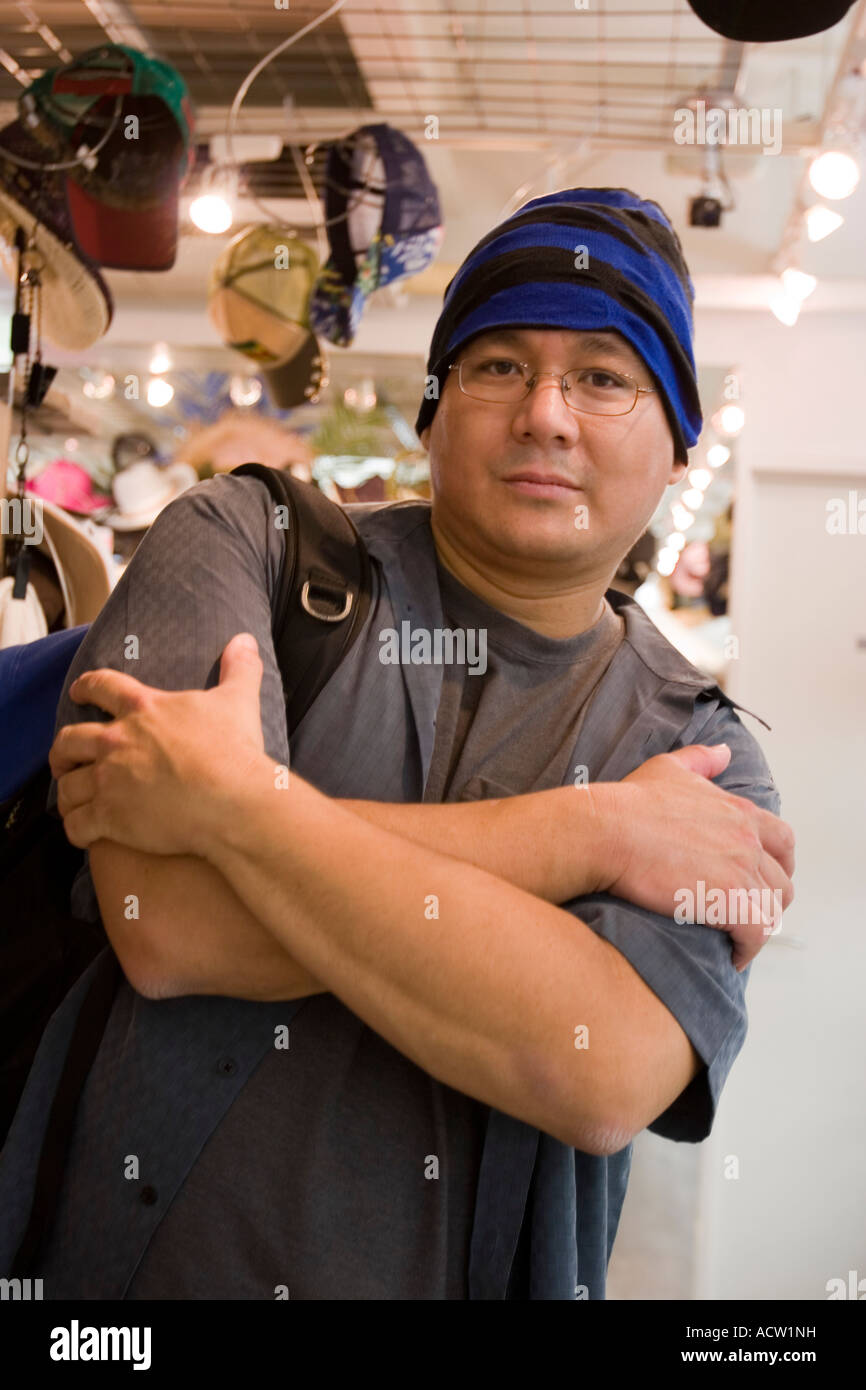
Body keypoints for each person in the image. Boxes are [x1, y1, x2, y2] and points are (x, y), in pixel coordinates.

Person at [0, 188, 794, 1301]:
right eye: (497, 365)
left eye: (604, 378)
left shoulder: (701, 760)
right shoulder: (249, 543)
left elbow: (594, 1062)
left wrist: (239, 809)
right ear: (432, 408)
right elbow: (165, 922)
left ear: (676, 447)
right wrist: (590, 830)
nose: (545, 415)